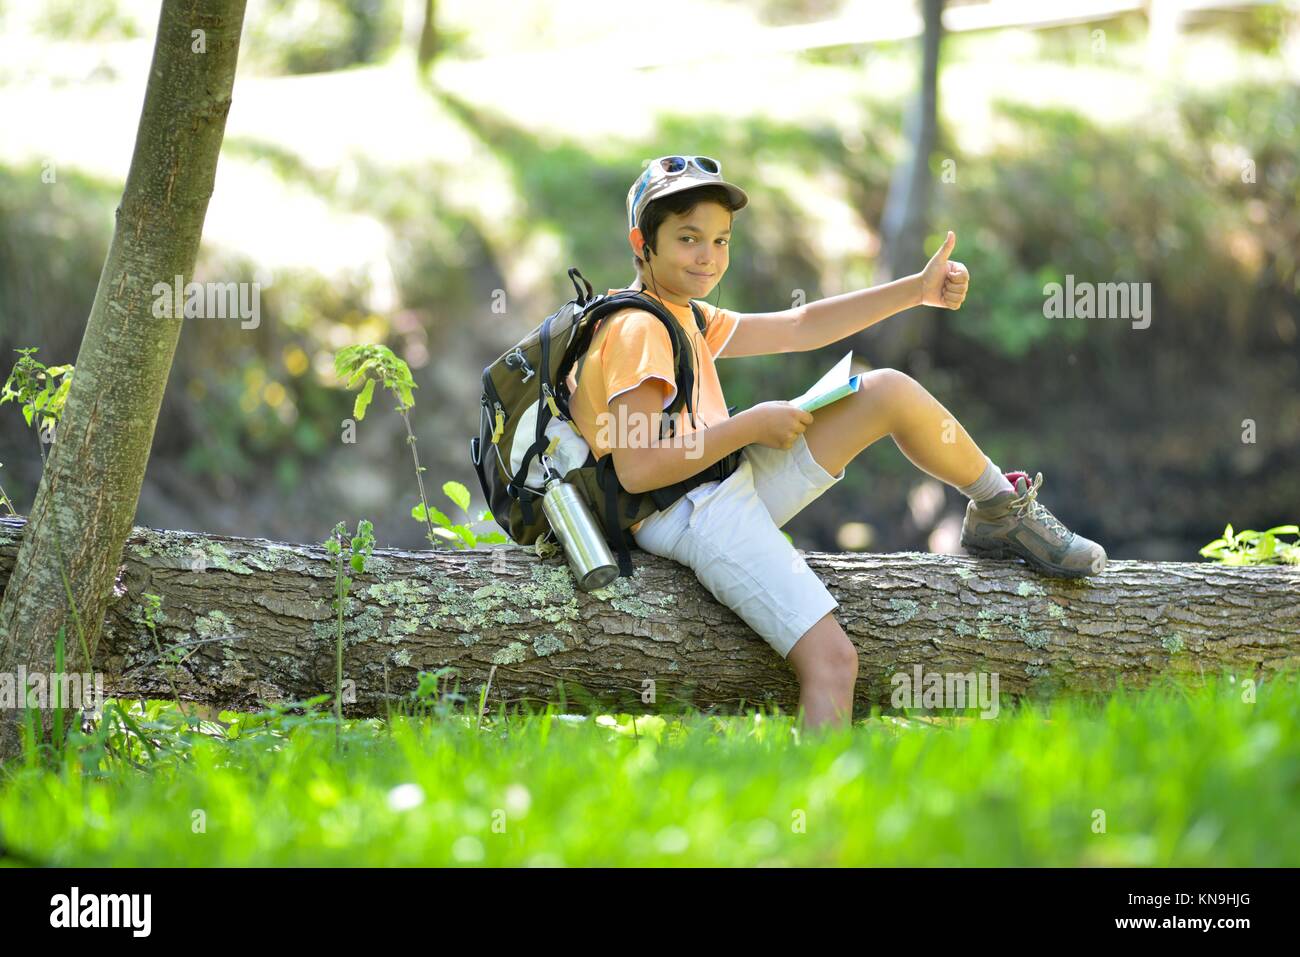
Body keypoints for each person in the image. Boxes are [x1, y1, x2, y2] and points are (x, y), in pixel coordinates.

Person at [563, 155, 1107, 733]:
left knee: (886, 392)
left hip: (714, 481)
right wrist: (751, 425)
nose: (708, 257)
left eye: (720, 241)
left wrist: (916, 291)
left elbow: (801, 327)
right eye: (688, 239)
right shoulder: (637, 329)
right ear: (641, 243)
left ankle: (1000, 509)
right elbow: (637, 469)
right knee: (833, 661)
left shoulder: (681, 313)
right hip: (686, 512)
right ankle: (823, 810)